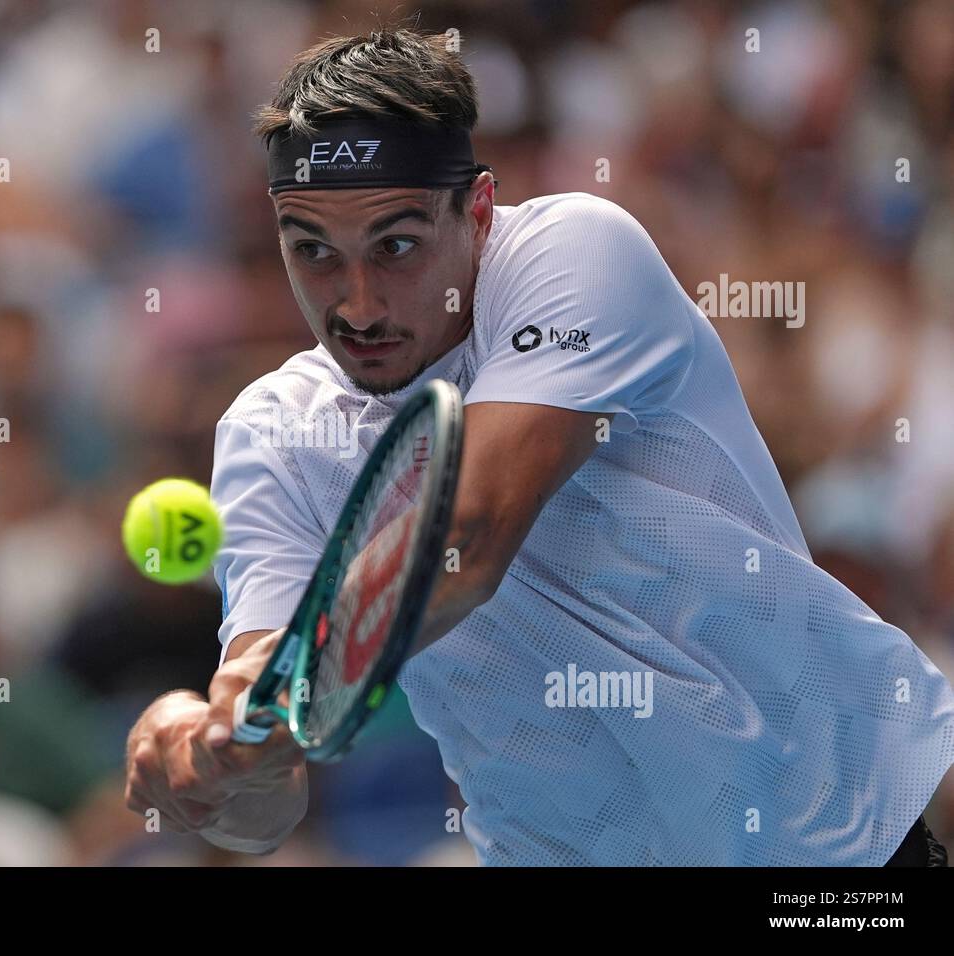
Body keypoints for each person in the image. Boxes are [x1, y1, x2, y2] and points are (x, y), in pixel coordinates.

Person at [124, 28, 954, 865]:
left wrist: (290, 686)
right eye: (314, 254)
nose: (360, 305)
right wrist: (215, 756)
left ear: (477, 210)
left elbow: (468, 536)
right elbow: (264, 816)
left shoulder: (574, 250)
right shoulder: (271, 434)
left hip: (840, 844)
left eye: (398, 246)